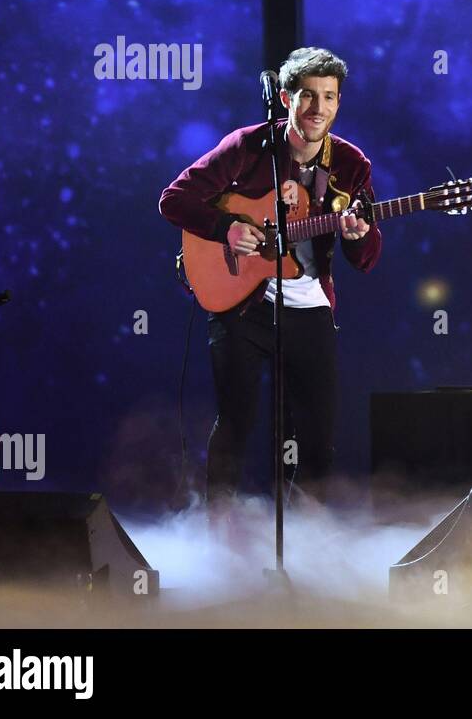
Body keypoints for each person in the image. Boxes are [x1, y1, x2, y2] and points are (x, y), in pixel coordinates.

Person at [159, 47, 381, 501]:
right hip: (242, 303)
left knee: (319, 438)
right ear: (285, 99)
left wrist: (358, 235)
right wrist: (226, 228)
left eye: (330, 97)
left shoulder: (351, 165)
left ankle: (305, 543)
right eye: (308, 96)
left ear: (339, 102)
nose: (319, 108)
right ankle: (220, 530)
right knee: (237, 422)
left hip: (311, 306)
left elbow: (366, 258)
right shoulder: (247, 145)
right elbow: (174, 200)